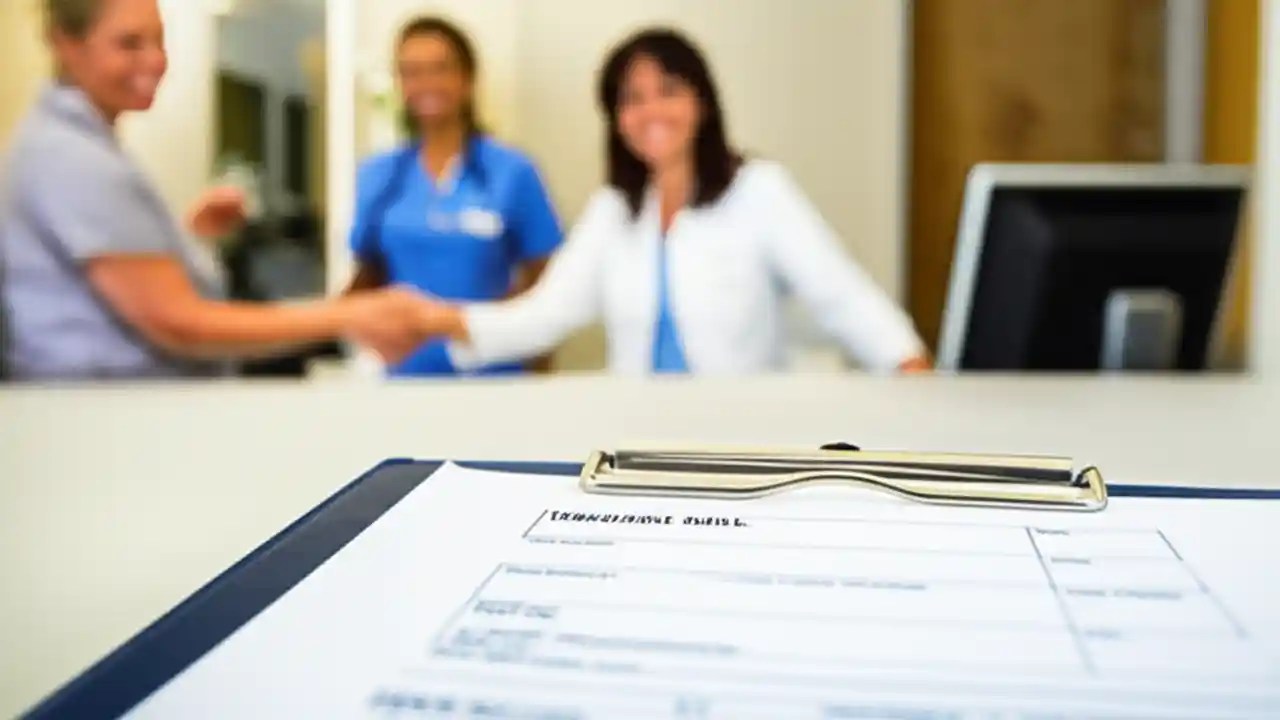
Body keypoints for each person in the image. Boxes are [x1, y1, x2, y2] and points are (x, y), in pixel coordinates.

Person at [408, 29, 931, 375]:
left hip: (743, 440)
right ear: (617, 119)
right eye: (632, 99)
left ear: (701, 102)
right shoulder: (614, 209)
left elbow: (841, 295)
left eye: (668, 91)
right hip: (640, 443)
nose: (650, 111)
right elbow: (546, 314)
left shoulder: (759, 190)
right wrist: (436, 321)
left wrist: (908, 363)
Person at [0, 0, 432, 382]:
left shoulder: (77, 148)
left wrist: (190, 237)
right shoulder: (71, 157)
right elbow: (179, 323)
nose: (155, 60)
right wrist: (348, 315)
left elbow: (121, 282)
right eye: (129, 44)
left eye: (159, 40)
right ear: (65, 43)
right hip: (106, 413)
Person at [346, 16, 563, 376]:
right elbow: (365, 279)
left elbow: (547, 288)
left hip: (494, 377)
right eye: (412, 72)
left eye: (440, 68)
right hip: (403, 381)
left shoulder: (511, 171)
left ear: (467, 78)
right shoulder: (378, 176)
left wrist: (537, 378)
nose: (426, 83)